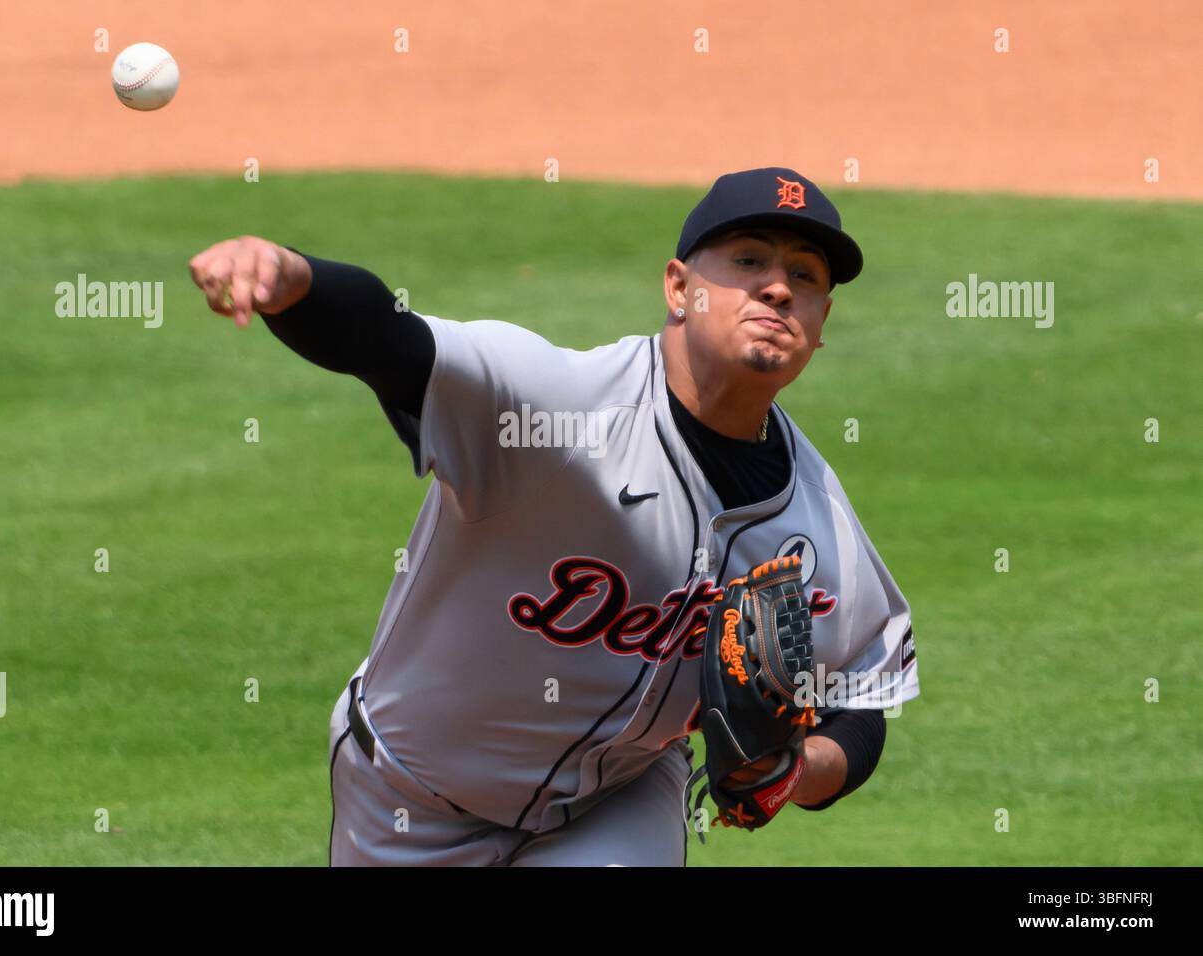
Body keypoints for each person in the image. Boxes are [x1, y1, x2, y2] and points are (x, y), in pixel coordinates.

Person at [187, 166, 920, 866]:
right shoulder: (560, 411)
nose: (777, 289)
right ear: (677, 287)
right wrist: (291, 279)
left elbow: (859, 700)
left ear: (823, 322)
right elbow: (392, 340)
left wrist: (793, 771)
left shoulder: (820, 521)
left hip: (619, 804)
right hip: (410, 800)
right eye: (749, 260)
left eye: (806, 278)